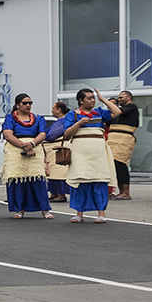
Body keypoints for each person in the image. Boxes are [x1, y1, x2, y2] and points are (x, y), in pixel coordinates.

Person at [49, 88, 115, 224]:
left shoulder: (100, 112)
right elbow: (67, 134)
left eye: (93, 98)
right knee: (80, 181)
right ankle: (79, 213)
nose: (92, 100)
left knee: (99, 180)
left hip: (97, 150)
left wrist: (103, 99)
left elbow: (117, 112)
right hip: (80, 150)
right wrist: (79, 123)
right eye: (89, 98)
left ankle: (101, 213)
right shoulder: (72, 115)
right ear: (80, 100)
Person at [1, 94, 53, 220]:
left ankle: (45, 210)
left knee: (38, 179)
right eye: (25, 103)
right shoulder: (10, 118)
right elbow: (8, 135)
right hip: (15, 150)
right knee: (18, 180)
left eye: (30, 102)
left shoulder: (38, 118)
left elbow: (42, 134)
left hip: (34, 147)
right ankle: (19, 209)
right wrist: (23, 146)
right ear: (18, 104)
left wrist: (32, 144)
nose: (28, 105)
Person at [107, 90, 140, 200]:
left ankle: (125, 192)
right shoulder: (116, 113)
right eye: (119, 98)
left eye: (121, 97)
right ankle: (120, 191)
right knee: (113, 165)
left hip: (124, 138)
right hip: (113, 138)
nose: (119, 99)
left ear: (129, 97)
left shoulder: (132, 107)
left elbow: (119, 112)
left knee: (120, 163)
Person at [44, 100, 71, 202]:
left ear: (59, 110)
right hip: (52, 149)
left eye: (53, 109)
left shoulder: (63, 121)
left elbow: (52, 135)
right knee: (51, 173)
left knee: (59, 173)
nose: (52, 111)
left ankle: (60, 194)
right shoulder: (61, 121)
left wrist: (42, 136)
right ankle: (54, 193)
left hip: (58, 148)